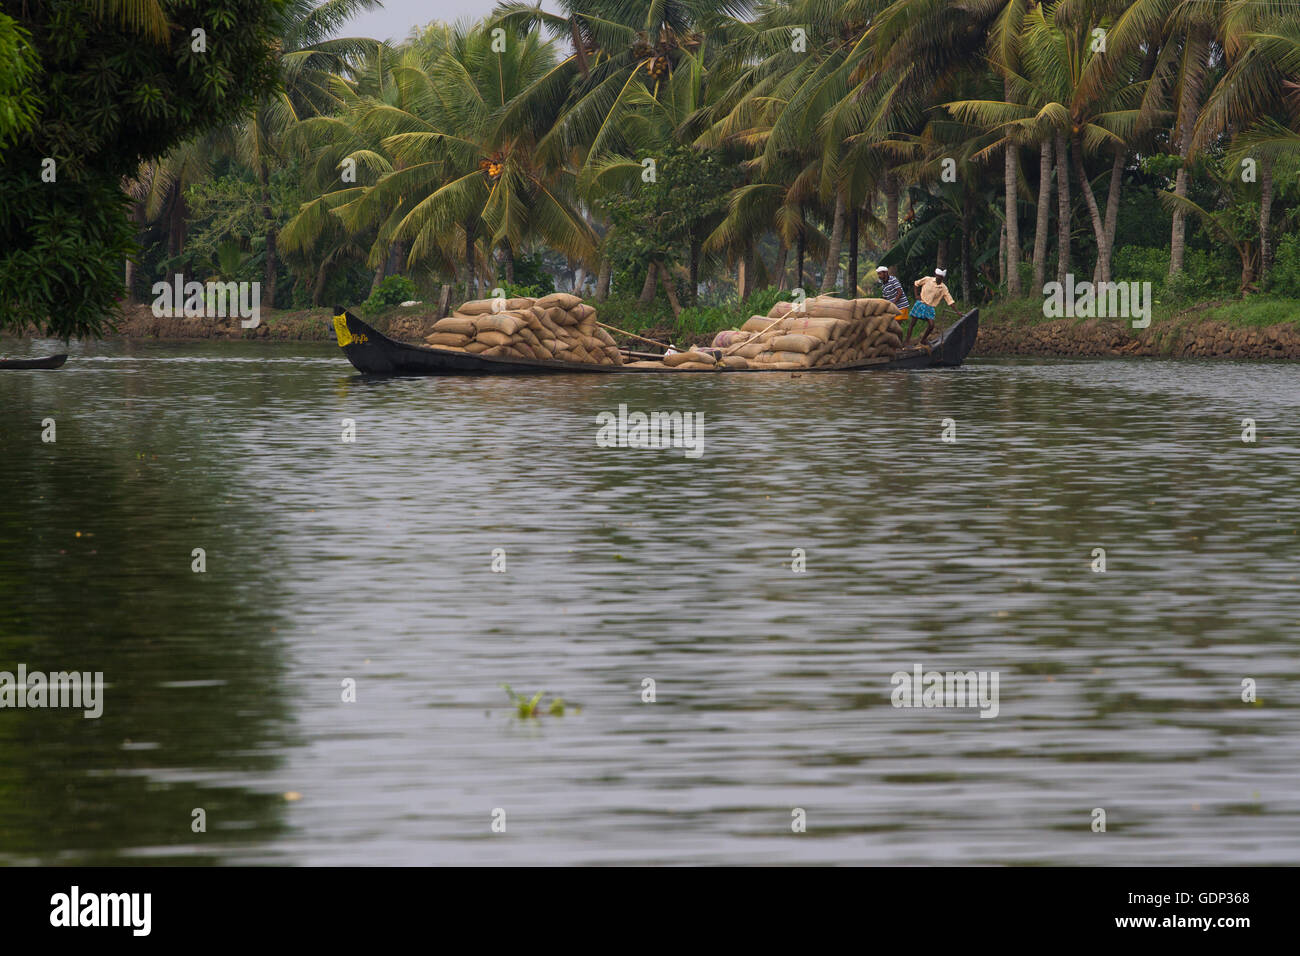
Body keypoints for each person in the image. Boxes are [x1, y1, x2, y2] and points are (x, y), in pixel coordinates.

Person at [908, 267, 955, 345]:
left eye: (940, 277)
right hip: (921, 303)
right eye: (937, 276)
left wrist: (957, 311)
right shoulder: (927, 279)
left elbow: (950, 300)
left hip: (930, 307)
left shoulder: (943, 288)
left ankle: (923, 340)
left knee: (931, 325)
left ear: (942, 278)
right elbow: (916, 283)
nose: (938, 278)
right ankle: (907, 341)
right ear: (935, 275)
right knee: (913, 323)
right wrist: (916, 295)